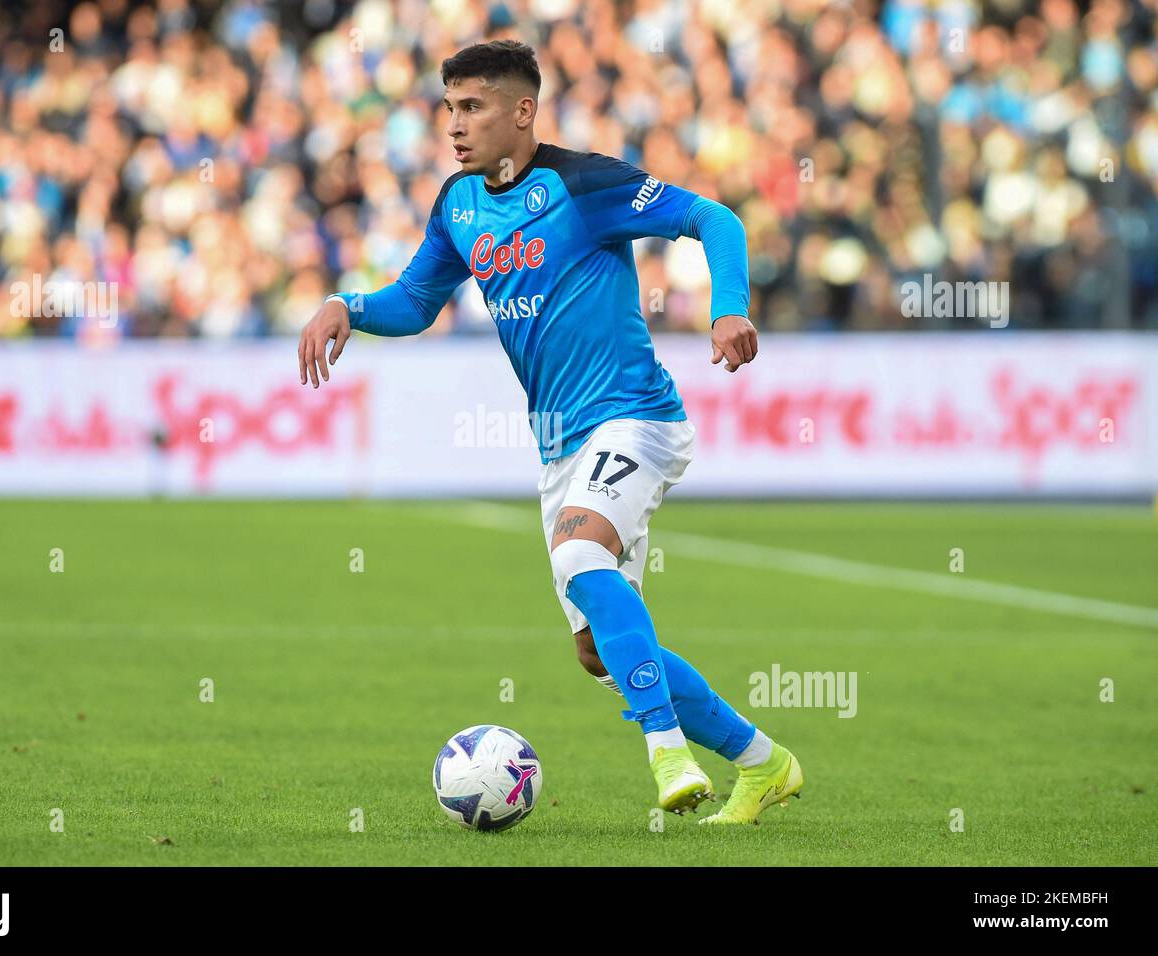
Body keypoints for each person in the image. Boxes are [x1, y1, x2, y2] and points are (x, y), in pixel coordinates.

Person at [298, 39, 802, 825]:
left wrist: (729, 304)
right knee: (598, 651)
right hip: (561, 447)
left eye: (474, 107)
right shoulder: (458, 205)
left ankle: (666, 751)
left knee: (578, 553)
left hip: (636, 417)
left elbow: (714, 217)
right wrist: (349, 307)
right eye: (450, 108)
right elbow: (416, 301)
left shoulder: (584, 183)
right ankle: (763, 763)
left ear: (522, 110)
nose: (456, 125)